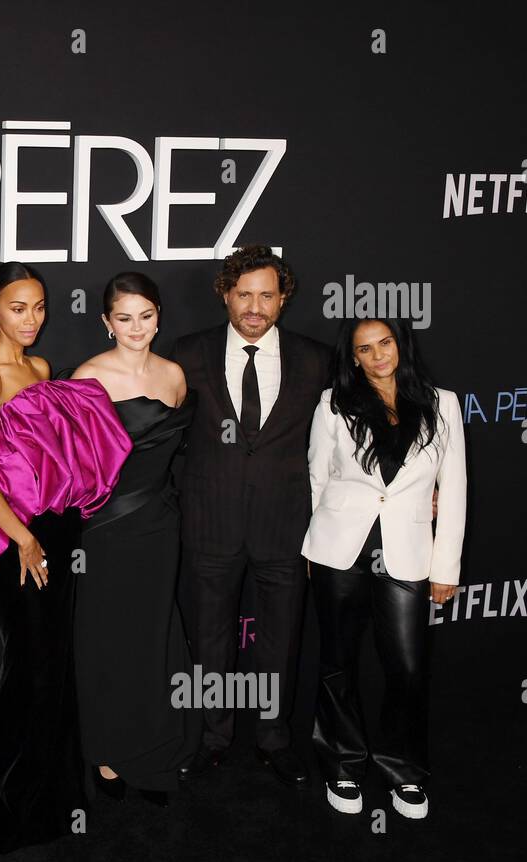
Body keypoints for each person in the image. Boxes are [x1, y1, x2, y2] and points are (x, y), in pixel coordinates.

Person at [0, 262, 131, 854]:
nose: (30, 319)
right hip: (16, 539)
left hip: (58, 532)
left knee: (53, 662)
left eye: (38, 307)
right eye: (17, 307)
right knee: (25, 665)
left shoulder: (42, 369)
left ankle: (51, 797)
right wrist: (22, 539)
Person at [170, 245, 331, 789]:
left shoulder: (317, 359)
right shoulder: (188, 354)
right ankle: (213, 738)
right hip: (209, 522)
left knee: (280, 639)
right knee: (209, 639)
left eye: (267, 295)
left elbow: (343, 440)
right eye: (245, 294)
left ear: (284, 298)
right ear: (226, 294)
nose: (255, 307)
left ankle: (274, 739)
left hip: (286, 525)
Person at [303, 316, 466, 820]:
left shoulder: (444, 404)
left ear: (400, 345)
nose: (377, 355)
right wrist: (317, 546)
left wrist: (446, 566)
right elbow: (318, 474)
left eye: (385, 344)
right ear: (353, 357)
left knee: (408, 669)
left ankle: (404, 772)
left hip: (407, 553)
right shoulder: (335, 403)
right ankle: (344, 766)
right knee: (336, 666)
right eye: (365, 349)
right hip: (340, 552)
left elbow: (455, 489)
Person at [71, 272, 199, 802]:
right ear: (106, 322)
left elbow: (178, 458)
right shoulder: (87, 377)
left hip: (160, 527)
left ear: (158, 316)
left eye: (146, 316)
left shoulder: (174, 375)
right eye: (124, 318)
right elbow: (74, 468)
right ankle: (108, 751)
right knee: (109, 638)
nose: (136, 328)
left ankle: (154, 749)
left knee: (152, 636)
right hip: (106, 532)